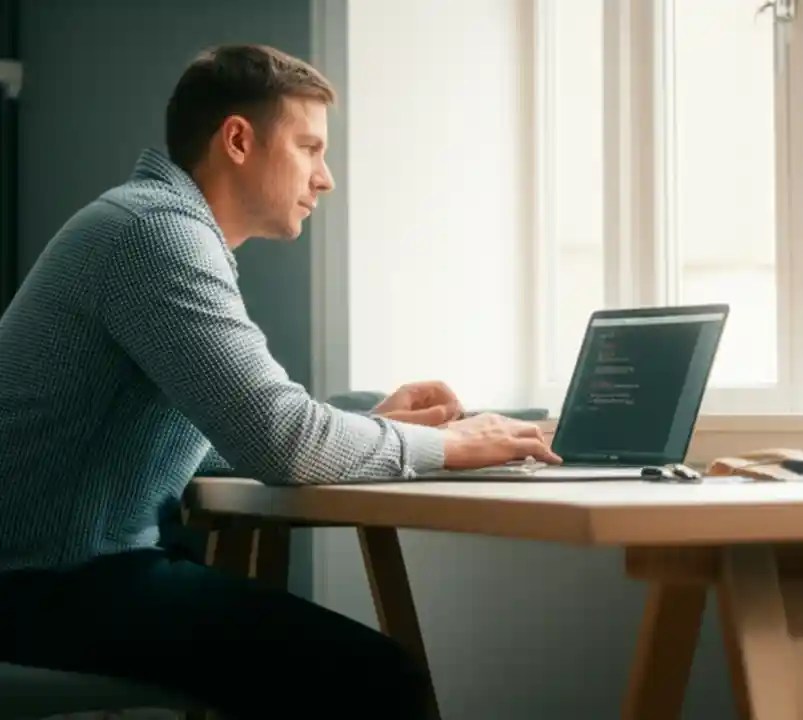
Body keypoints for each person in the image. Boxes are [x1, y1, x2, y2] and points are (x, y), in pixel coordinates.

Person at [0, 44, 559, 719]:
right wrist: (453, 446)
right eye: (309, 147)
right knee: (377, 680)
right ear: (238, 139)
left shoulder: (149, 225)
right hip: (47, 588)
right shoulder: (157, 235)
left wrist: (370, 430)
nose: (325, 178)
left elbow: (207, 443)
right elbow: (281, 442)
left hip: (55, 577)